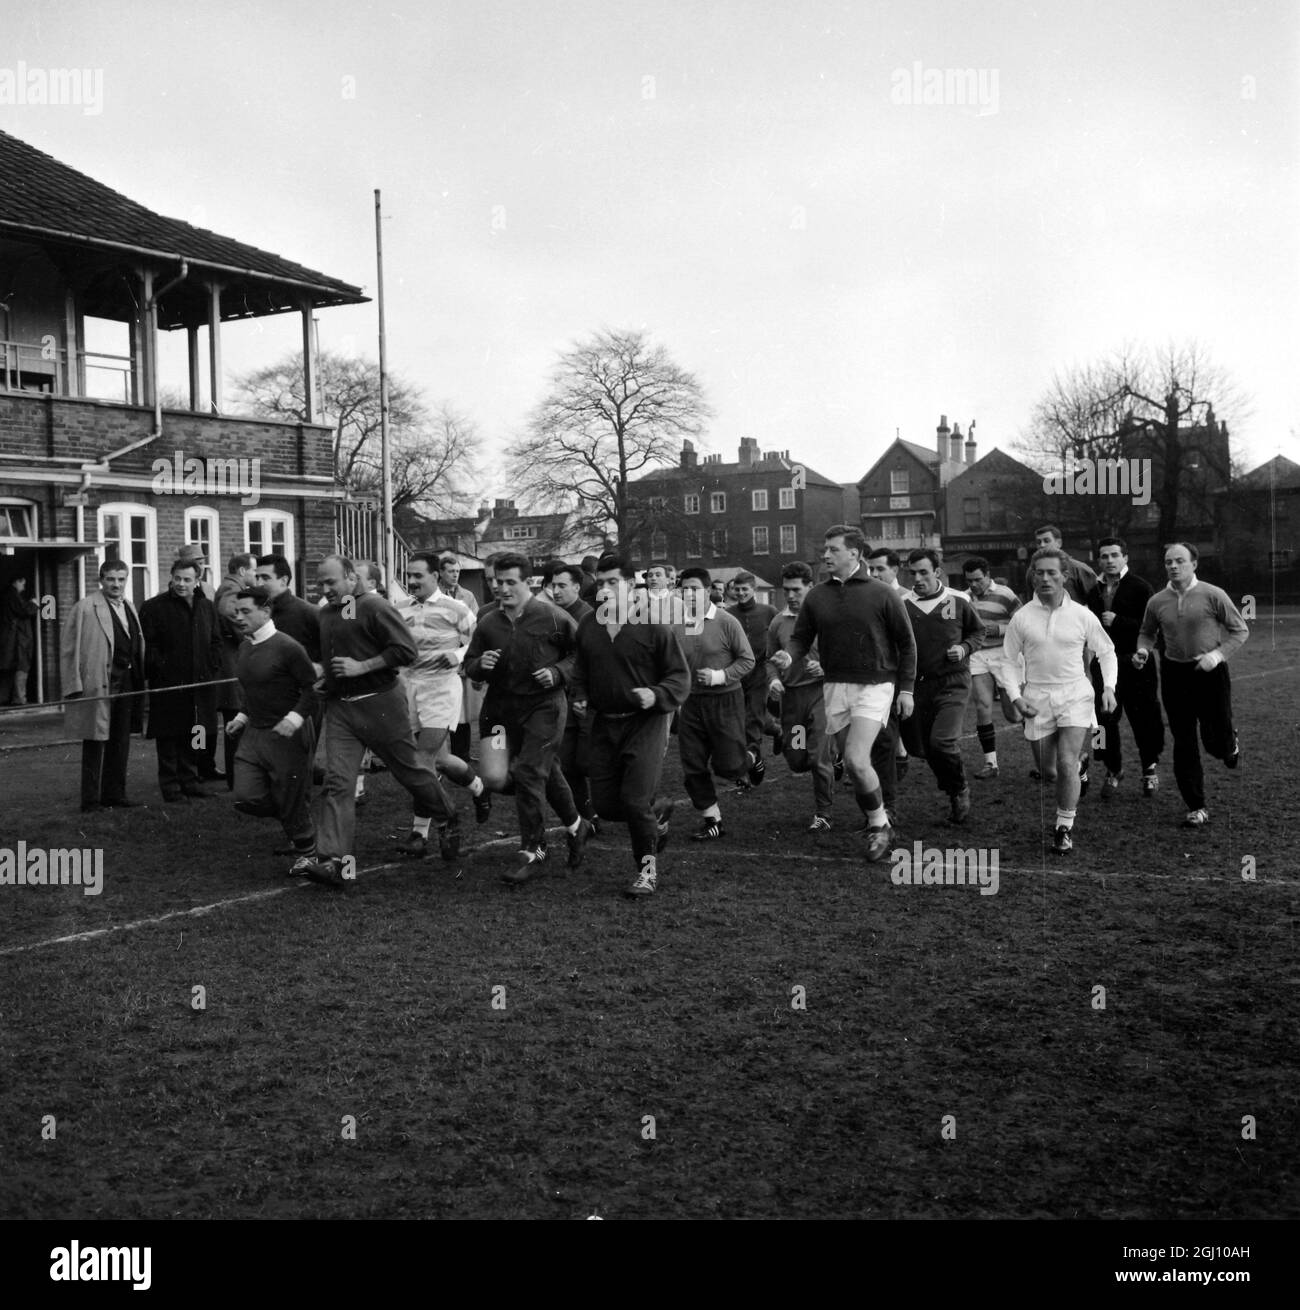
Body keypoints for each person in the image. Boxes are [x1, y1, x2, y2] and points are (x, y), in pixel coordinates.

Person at [301, 555, 459, 888]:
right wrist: (327, 680)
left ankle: (447, 814)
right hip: (341, 709)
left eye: (331, 582)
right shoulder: (329, 613)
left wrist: (363, 667)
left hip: (381, 705)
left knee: (410, 773)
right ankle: (335, 862)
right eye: (320, 583)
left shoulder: (374, 606)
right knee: (337, 783)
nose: (325, 589)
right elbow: (340, 655)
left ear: (350, 578)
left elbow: (405, 651)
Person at [771, 525, 916, 863]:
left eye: (833, 549)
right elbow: (801, 638)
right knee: (853, 766)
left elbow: (907, 645)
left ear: (855, 553)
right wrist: (790, 655)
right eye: (825, 549)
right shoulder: (818, 595)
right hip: (835, 686)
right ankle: (878, 819)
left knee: (854, 758)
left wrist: (906, 689)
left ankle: (880, 824)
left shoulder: (882, 592)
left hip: (875, 685)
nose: (825, 555)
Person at [463, 551, 590, 882]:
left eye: (510, 582)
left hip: (543, 707)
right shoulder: (488, 620)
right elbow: (470, 662)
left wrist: (558, 672)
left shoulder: (554, 617)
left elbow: (581, 655)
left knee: (530, 772)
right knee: (494, 777)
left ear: (528, 582)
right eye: (496, 581)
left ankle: (533, 849)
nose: (501, 588)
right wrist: (480, 665)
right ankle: (578, 826)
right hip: (501, 711)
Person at [570, 553, 691, 898]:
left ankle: (647, 871)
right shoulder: (589, 627)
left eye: (613, 583)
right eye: (601, 582)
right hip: (604, 725)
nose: (605, 589)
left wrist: (656, 695)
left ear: (629, 586)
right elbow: (581, 669)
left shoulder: (654, 627)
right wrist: (579, 694)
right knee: (607, 806)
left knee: (634, 800)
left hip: (645, 725)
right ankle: (657, 817)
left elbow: (679, 677)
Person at [1004, 546, 1117, 854]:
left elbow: (1107, 651)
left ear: (1065, 576)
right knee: (1049, 770)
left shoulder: (1082, 615)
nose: (1045, 579)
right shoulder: (1022, 618)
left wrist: (1109, 687)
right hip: (1037, 696)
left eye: (1052, 572)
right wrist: (1015, 696)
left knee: (1065, 764)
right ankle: (1080, 766)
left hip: (1075, 694)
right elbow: (1008, 661)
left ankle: (1063, 827)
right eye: (1039, 572)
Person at [1135, 542, 1248, 827]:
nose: (1173, 566)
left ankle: (1229, 744)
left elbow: (1239, 630)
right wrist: (1143, 651)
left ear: (1194, 564)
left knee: (1216, 742)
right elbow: (1146, 633)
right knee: (1184, 740)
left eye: (1179, 561)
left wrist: (1217, 655)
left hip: (1210, 672)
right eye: (1168, 562)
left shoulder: (1213, 595)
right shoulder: (1157, 601)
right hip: (1175, 675)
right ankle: (1196, 806)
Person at [396, 551, 491, 854]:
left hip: (441, 689)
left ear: (435, 577)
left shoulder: (457, 608)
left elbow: (480, 641)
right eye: (408, 576)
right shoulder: (399, 609)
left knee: (421, 759)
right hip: (410, 687)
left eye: (418, 576)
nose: (411, 581)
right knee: (441, 760)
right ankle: (479, 788)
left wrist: (458, 655)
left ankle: (426, 831)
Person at [225, 587, 319, 874]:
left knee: (290, 795)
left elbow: (311, 689)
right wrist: (242, 716)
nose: (238, 617)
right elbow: (253, 690)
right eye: (236, 612)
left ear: (265, 611)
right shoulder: (245, 646)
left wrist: (294, 718)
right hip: (255, 732)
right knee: (245, 796)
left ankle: (309, 854)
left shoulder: (288, 647)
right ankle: (301, 821)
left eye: (245, 612)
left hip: (288, 733)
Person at [900, 549, 984, 824]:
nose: (918, 578)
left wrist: (963, 648)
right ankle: (952, 787)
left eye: (924, 572)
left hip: (953, 682)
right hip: (918, 685)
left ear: (937, 572)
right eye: (912, 573)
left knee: (942, 741)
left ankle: (959, 789)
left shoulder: (958, 599)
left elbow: (977, 631)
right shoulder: (903, 604)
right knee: (923, 748)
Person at [674, 567, 755, 840]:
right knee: (692, 763)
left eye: (694, 589)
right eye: (684, 589)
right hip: (692, 704)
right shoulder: (676, 624)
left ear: (708, 591)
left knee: (729, 766)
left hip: (726, 700)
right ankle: (712, 819)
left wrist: (719, 675)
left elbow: (747, 660)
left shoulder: (726, 621)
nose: (689, 594)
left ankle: (751, 759)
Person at [60, 559, 145, 811]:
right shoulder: (85, 607)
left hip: (127, 682)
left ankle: (115, 795)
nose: (116, 584)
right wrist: (74, 685)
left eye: (121, 579)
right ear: (101, 579)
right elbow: (68, 650)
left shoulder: (129, 606)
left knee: (120, 739)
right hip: (99, 683)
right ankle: (90, 800)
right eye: (111, 579)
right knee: (95, 741)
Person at [1085, 537, 1165, 798]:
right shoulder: (1093, 590)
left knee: (1144, 718)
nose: (1109, 560)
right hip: (1104, 666)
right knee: (1103, 721)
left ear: (1125, 558)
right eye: (1104, 556)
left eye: (1114, 555)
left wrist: (1119, 621)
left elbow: (1153, 628)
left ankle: (1149, 769)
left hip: (1136, 663)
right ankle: (1112, 769)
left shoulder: (1141, 587)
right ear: (1099, 560)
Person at [139, 558, 223, 802]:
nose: (181, 584)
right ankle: (171, 786)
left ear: (198, 581)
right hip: (168, 685)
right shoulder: (154, 607)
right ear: (171, 577)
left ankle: (190, 780)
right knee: (169, 736)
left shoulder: (206, 607)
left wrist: (212, 665)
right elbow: (149, 646)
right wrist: (162, 669)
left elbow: (215, 641)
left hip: (199, 684)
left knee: (194, 733)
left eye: (187, 580)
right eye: (177, 578)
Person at [765, 561, 834, 831]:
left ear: (811, 587)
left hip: (821, 694)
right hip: (792, 699)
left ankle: (824, 813)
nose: (791, 596)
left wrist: (826, 666)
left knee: (818, 757)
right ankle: (830, 755)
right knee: (797, 759)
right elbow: (769, 660)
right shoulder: (778, 623)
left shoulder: (827, 617)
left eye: (796, 590)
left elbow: (847, 654)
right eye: (786, 590)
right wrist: (772, 680)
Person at [542, 559, 597, 826]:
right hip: (563, 699)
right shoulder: (551, 613)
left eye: (563, 585)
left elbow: (593, 661)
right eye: (553, 586)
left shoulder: (587, 616)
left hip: (584, 700)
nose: (557, 591)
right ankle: (587, 818)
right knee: (568, 764)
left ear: (577, 586)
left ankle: (649, 807)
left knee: (591, 764)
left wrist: (587, 697)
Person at [960, 556, 1024, 779]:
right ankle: (991, 763)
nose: (974, 584)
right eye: (969, 580)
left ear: (988, 576)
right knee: (982, 706)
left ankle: (1038, 731)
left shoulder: (1005, 594)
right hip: (977, 656)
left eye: (978, 579)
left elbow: (1021, 623)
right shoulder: (964, 598)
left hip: (1003, 655)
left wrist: (998, 629)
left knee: (1013, 715)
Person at [864, 546, 911, 801]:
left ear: (895, 569)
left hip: (901, 672)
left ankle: (901, 752)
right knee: (881, 731)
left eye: (880, 568)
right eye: (871, 569)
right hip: (877, 673)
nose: (874, 573)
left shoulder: (907, 598)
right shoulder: (867, 596)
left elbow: (910, 643)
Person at [726, 570, 778, 786]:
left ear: (754, 590)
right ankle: (778, 730)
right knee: (739, 720)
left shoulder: (769, 611)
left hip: (760, 673)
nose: (740, 593)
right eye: (737, 590)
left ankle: (753, 758)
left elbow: (778, 639)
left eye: (744, 589)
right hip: (736, 674)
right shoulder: (728, 614)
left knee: (753, 718)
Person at [212, 552, 257, 787]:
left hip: (231, 663)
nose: (255, 575)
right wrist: (249, 635)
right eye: (253, 571)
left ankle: (237, 778)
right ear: (242, 571)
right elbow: (228, 611)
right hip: (231, 665)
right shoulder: (232, 589)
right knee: (236, 721)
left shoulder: (230, 585)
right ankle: (237, 779)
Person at [253, 554, 322, 664]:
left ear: (283, 581)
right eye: (257, 578)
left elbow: (336, 649)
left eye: (265, 578)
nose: (259, 583)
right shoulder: (256, 613)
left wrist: (322, 667)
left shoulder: (309, 613)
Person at [0, 575, 38, 705]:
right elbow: (24, 610)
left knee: (7, 668)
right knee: (20, 666)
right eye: (22, 583)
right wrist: (34, 604)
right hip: (17, 640)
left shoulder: (8, 596)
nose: (24, 586)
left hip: (11, 639)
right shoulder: (12, 596)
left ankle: (4, 698)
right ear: (16, 582)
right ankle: (19, 698)